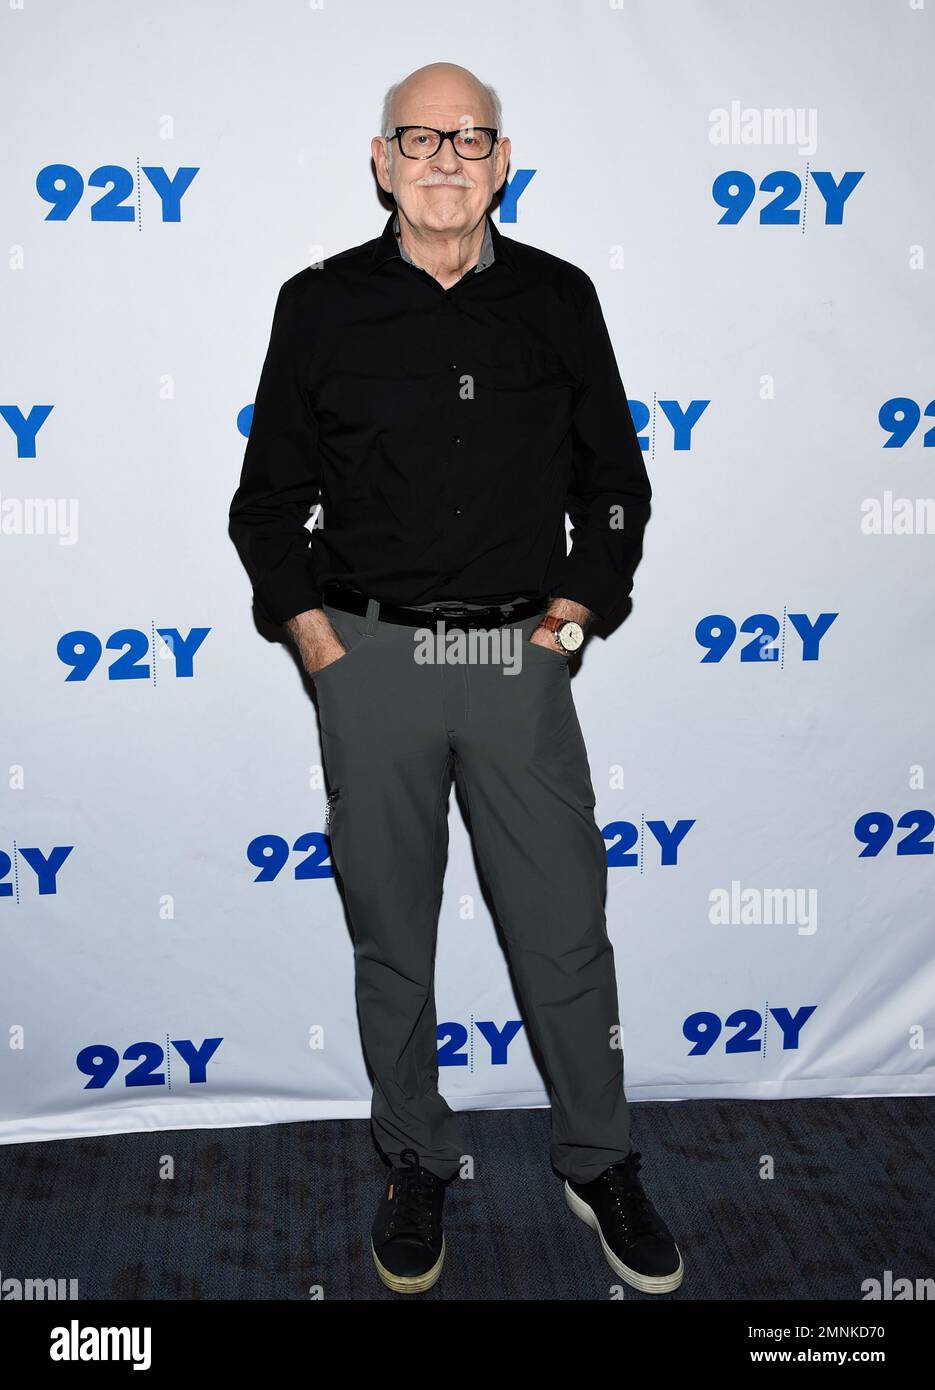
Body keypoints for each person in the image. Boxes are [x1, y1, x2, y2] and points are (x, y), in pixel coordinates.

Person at [229, 60, 682, 1297]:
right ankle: (416, 1156)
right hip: (367, 657)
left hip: (514, 662)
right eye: (418, 138)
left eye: (469, 139)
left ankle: (599, 1161)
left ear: (501, 161)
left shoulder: (556, 298)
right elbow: (267, 502)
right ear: (380, 161)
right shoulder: (317, 305)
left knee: (563, 933)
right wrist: (322, 650)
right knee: (394, 936)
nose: (443, 158)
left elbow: (613, 486)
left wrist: (572, 621)